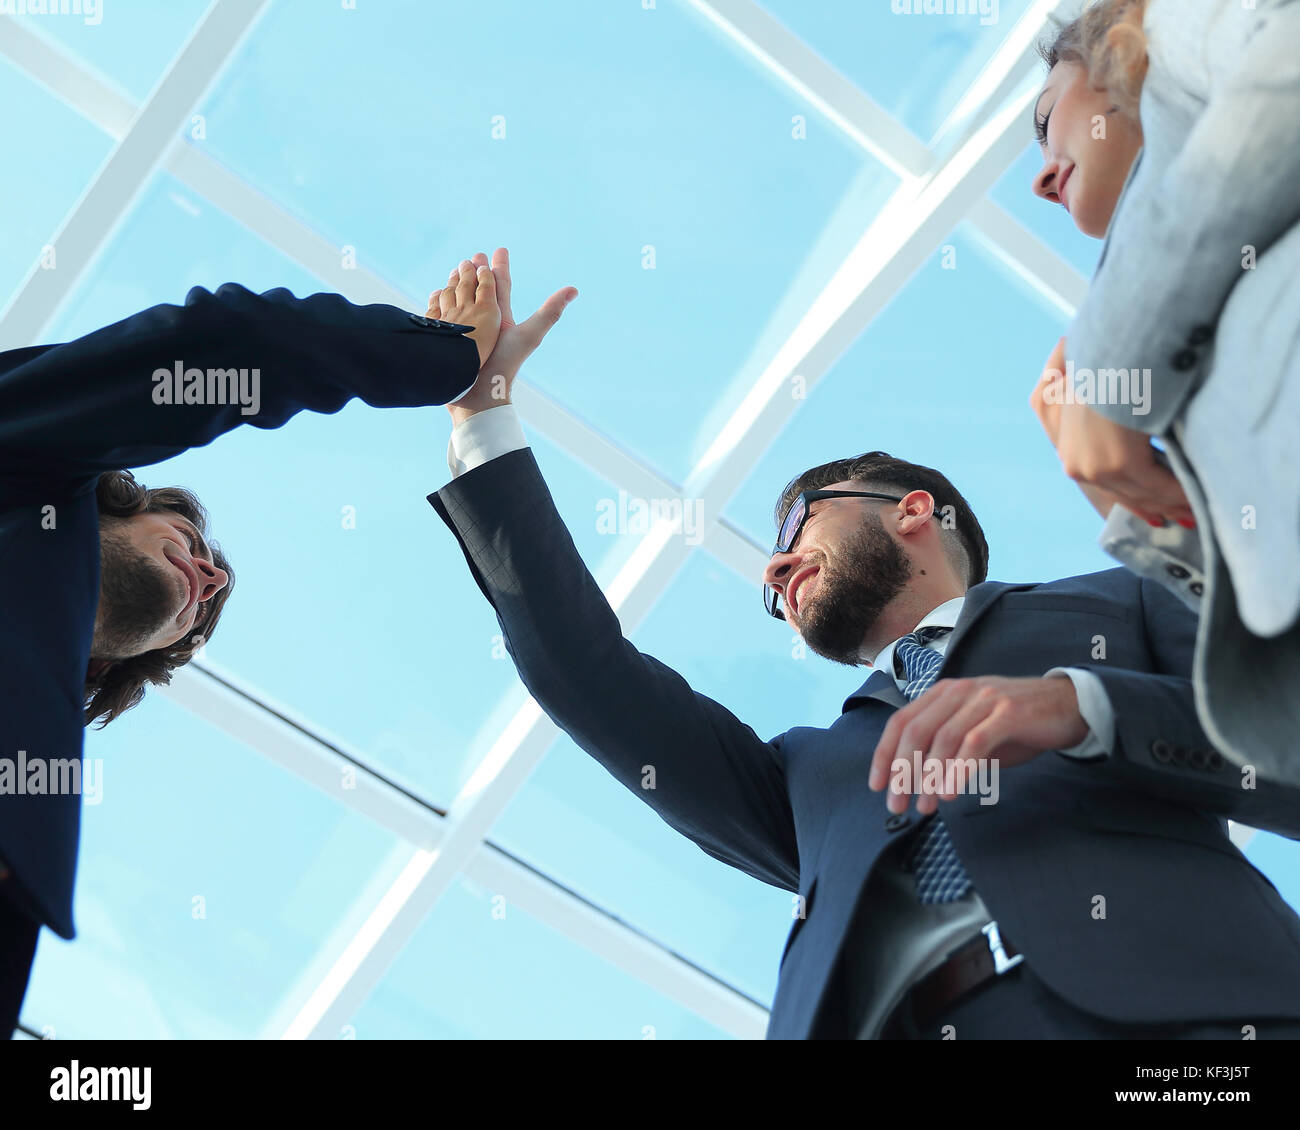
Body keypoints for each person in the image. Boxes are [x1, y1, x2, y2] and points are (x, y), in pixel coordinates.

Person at [426, 248, 1300, 1039]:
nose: (772, 570)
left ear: (913, 510)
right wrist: (482, 417)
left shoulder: (1121, 604)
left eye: (796, 526)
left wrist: (1085, 708)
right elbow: (584, 670)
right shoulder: (799, 780)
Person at [0, 264, 501, 1037]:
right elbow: (224, 347)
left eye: (199, 616)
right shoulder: (30, 464)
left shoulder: (41, 729)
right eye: (194, 544)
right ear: (118, 499)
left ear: (123, 665)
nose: (211, 576)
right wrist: (451, 356)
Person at [1026, 0, 1300, 783]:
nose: (1042, 179)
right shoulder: (1196, 324)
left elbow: (1290, 67)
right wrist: (1145, 517)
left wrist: (1111, 356)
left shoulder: (1169, 37)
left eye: (1048, 122)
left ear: (1112, 48)